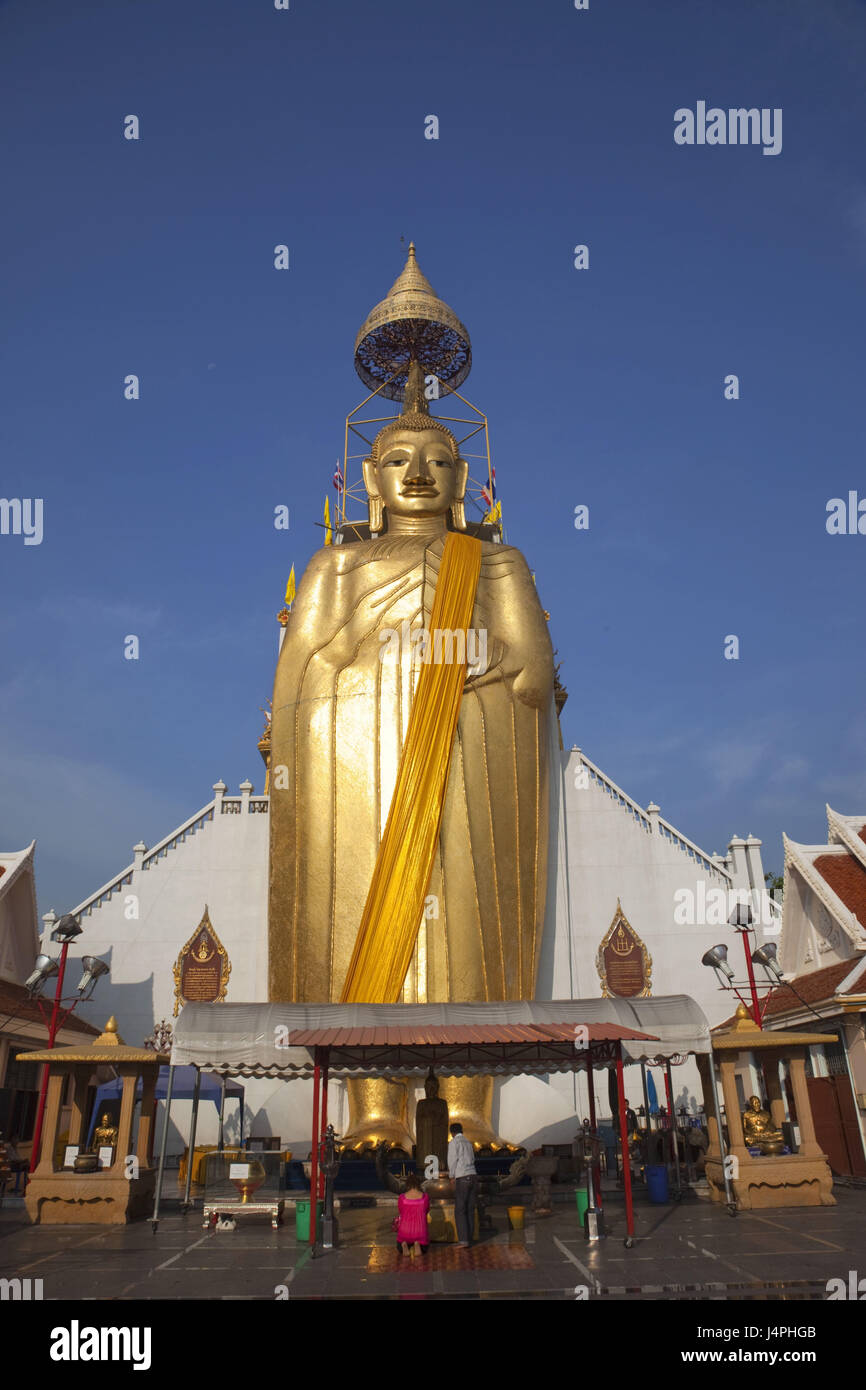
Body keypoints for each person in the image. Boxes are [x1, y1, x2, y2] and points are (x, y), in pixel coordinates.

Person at [447, 1122, 478, 1248]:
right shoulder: (468, 1142)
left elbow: (452, 1160)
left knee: (460, 1210)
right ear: (462, 1131)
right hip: (473, 1176)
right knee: (470, 1209)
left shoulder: (454, 1142)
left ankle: (463, 1241)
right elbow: (473, 1159)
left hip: (463, 1177)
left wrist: (452, 1176)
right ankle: (469, 1238)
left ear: (452, 1133)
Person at [395, 1171, 430, 1258]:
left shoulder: (402, 1198)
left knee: (399, 1246)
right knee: (425, 1246)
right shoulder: (425, 1197)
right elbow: (427, 1210)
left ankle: (404, 1244)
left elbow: (401, 1211)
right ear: (419, 1184)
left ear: (407, 1184)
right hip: (420, 1232)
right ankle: (418, 1245)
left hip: (404, 1233)